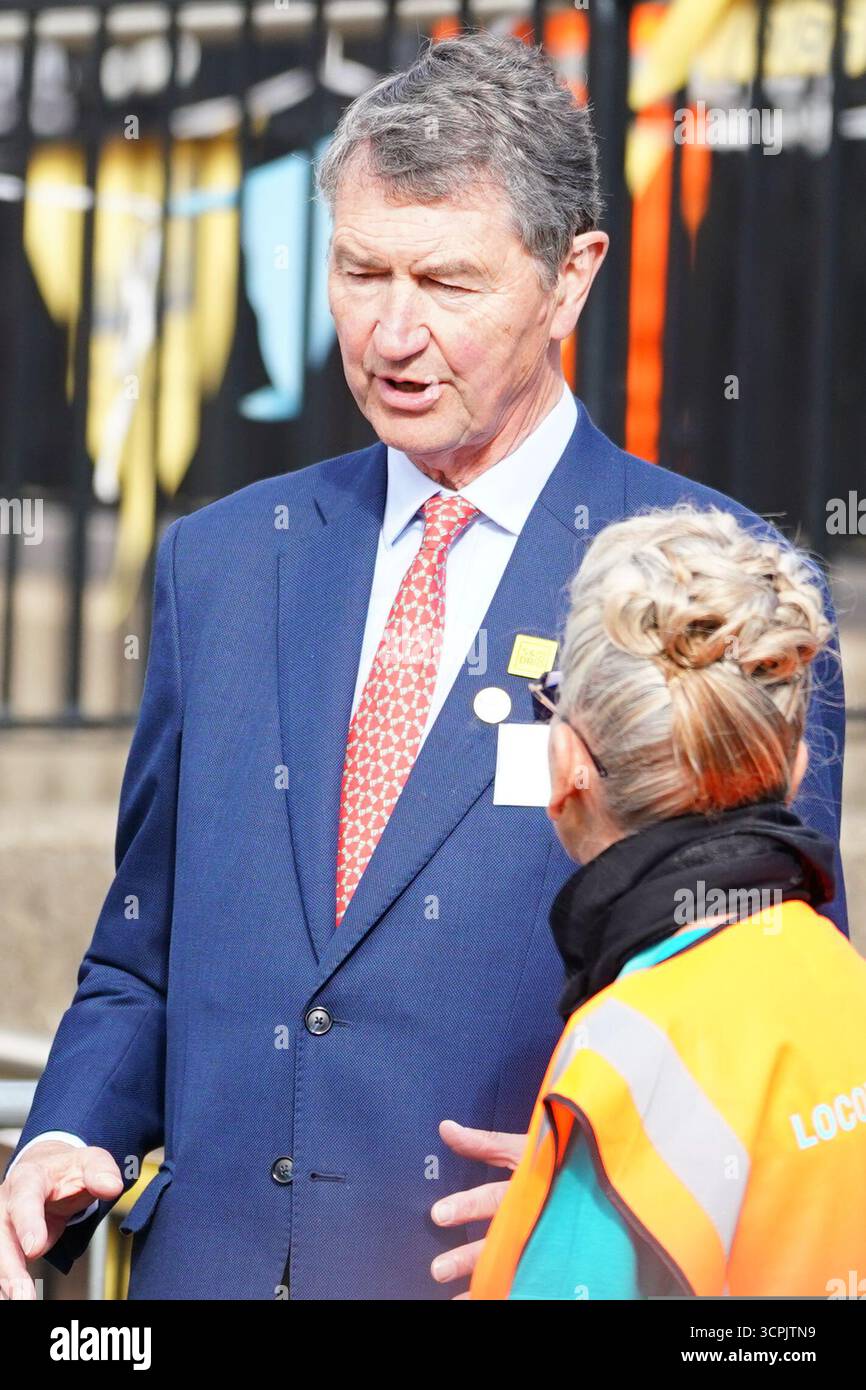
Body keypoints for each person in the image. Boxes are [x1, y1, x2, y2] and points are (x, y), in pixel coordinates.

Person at [0, 33, 848, 1302]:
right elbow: (140, 951)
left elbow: (771, 1001)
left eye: (446, 282)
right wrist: (71, 1130)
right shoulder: (224, 563)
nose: (391, 331)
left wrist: (599, 1198)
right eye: (359, 271)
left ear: (569, 280)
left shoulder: (707, 587)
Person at [470, 505, 866, 1300]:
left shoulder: (628, 1050)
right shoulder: (838, 976)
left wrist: (585, 1203)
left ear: (567, 764)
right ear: (790, 769)